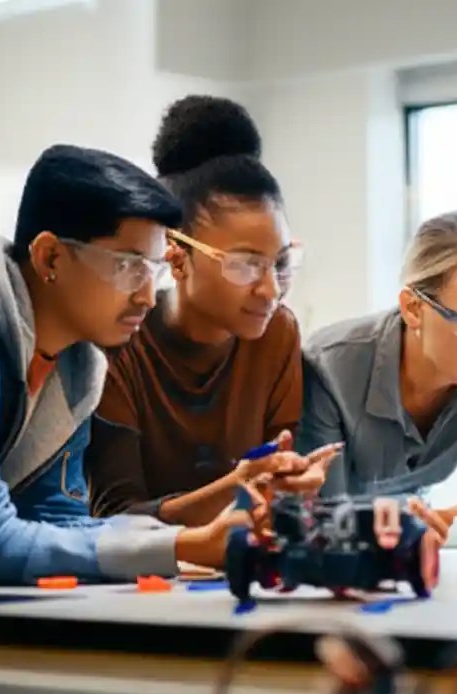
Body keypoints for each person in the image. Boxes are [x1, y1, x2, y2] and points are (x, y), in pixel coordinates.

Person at [0, 145, 289, 585]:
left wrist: (194, 538)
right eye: (128, 266)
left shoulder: (77, 363)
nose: (147, 296)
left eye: (152, 270)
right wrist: (181, 545)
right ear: (50, 256)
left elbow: (53, 520)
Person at [87, 95, 335, 527]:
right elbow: (114, 518)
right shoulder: (118, 342)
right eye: (245, 264)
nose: (270, 290)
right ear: (177, 257)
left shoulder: (277, 333)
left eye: (279, 262)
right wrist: (240, 486)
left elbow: (280, 494)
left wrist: (293, 485)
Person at [299, 211, 457, 558]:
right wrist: (405, 532)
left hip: (406, 563)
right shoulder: (328, 365)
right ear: (413, 308)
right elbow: (320, 532)